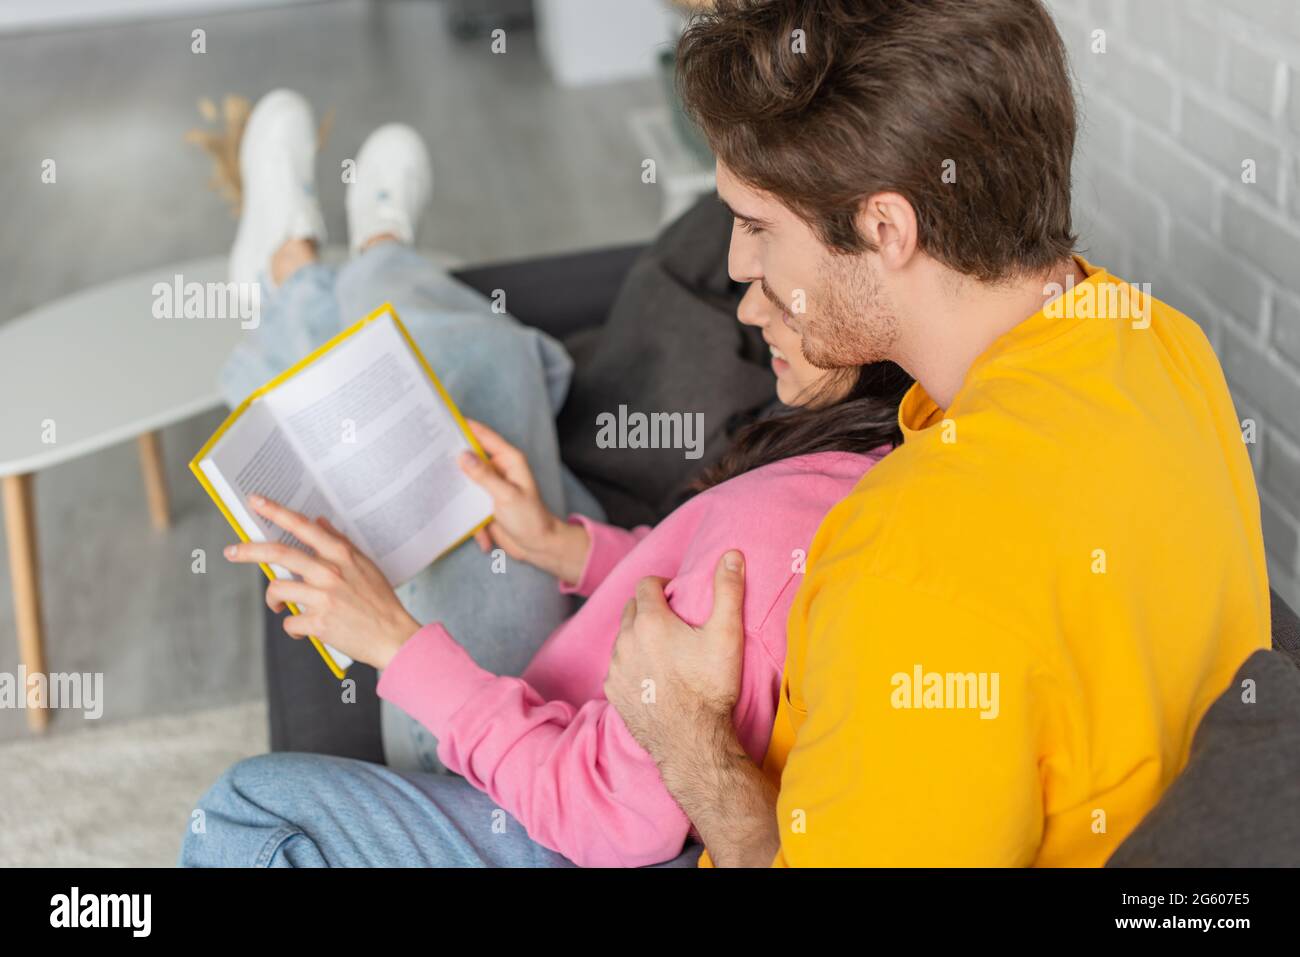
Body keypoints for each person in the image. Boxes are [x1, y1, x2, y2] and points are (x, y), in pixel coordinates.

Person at [601, 0, 1274, 867]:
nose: (738, 265)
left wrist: (687, 741)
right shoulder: (1161, 341)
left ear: (887, 229)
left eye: (758, 226)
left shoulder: (908, 570)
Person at [180, 95, 913, 867]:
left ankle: (302, 271)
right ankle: (359, 253)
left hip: (526, 773)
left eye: (764, 243)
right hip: (576, 679)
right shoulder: (880, 442)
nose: (746, 292)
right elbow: (690, 584)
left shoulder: (777, 541)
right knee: (491, 373)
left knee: (244, 810)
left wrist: (392, 643)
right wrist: (566, 547)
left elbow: (606, 815)